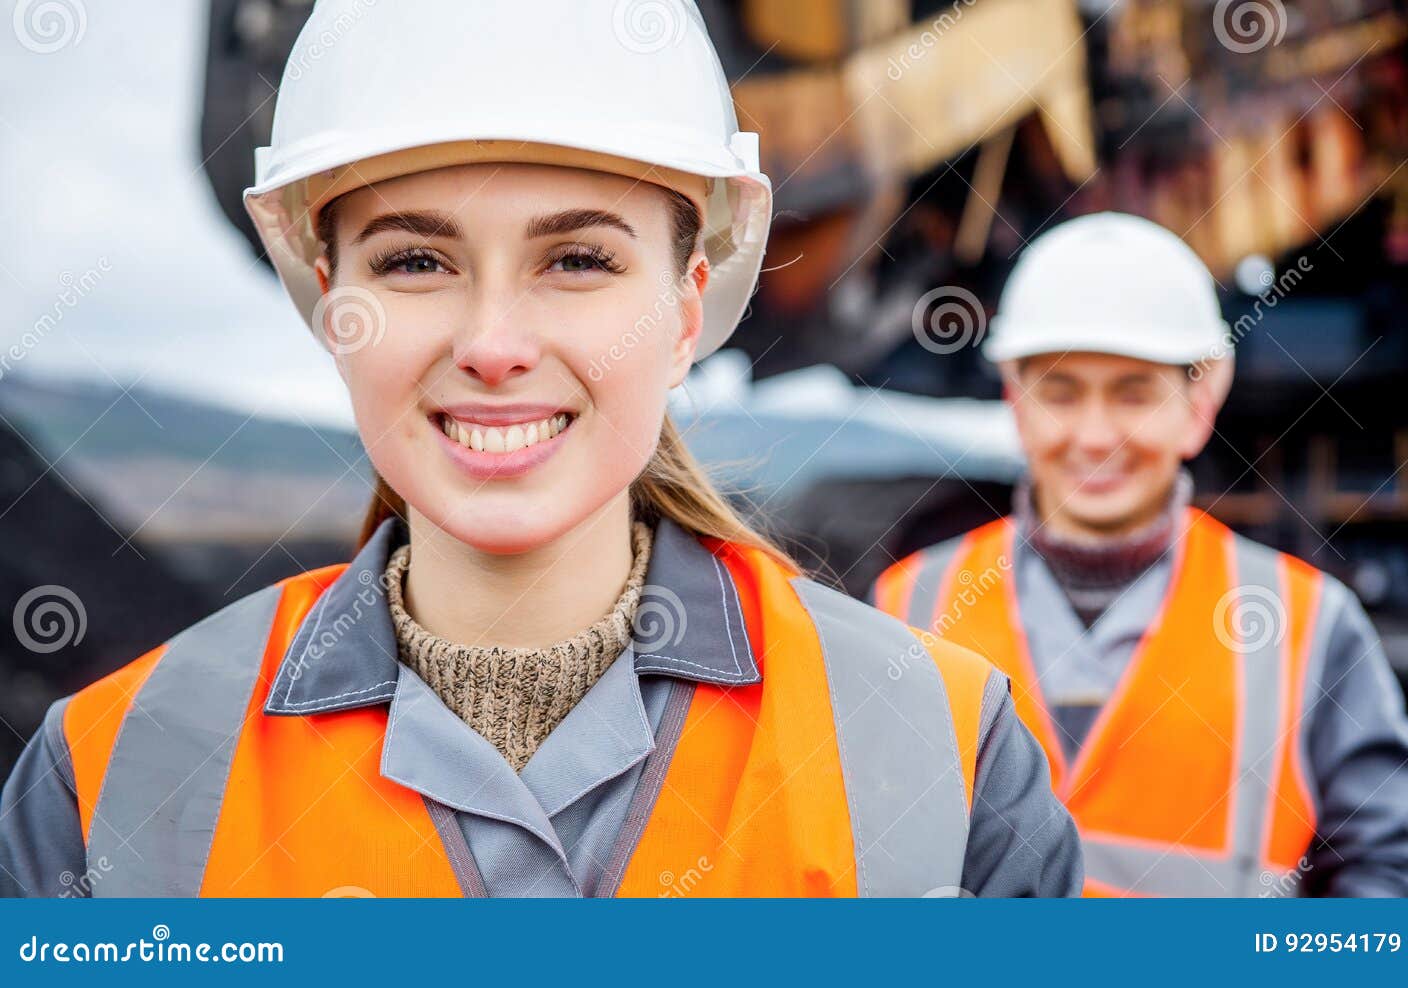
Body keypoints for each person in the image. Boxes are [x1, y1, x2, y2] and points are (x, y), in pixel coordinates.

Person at [0, 1, 1080, 899]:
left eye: (576, 259)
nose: (493, 345)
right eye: (417, 259)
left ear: (687, 307)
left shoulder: (945, 752)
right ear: (335, 307)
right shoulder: (108, 776)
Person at [872, 213, 1408, 897]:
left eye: (1134, 394)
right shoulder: (905, 608)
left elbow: (1398, 877)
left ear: (1200, 403)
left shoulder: (1307, 626)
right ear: (1016, 400)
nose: (1095, 436)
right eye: (1061, 392)